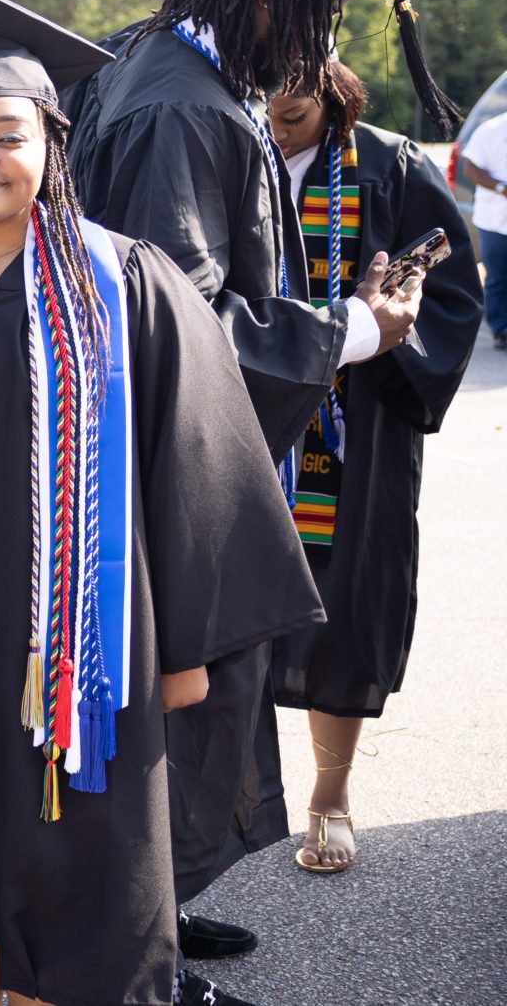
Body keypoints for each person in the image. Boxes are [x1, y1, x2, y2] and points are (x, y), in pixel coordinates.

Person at [0, 0, 321, 1006]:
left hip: (85, 653)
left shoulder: (128, 287)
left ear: (52, 146)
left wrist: (181, 652)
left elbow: (200, 466)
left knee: (74, 876)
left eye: (8, 134)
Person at [65, 0, 443, 1003]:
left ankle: (154, 918)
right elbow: (181, 324)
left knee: (173, 707)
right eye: (320, 18)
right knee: (170, 706)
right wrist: (352, 333)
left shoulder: (154, 67)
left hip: (156, 460)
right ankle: (128, 960)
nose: (321, 51)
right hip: (161, 473)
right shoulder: (183, 112)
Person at [265, 60, 482, 872]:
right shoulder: (217, 150)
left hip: (353, 427)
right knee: (210, 609)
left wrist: (389, 326)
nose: (277, 124)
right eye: (266, 107)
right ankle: (210, 809)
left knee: (346, 605)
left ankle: (330, 793)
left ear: (330, 93)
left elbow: (453, 292)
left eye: (293, 113)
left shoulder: (389, 169)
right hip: (239, 413)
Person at [461, 110, 507, 348]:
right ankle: (501, 331)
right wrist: (501, 187)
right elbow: (471, 169)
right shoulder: (492, 129)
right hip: (494, 221)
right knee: (498, 277)